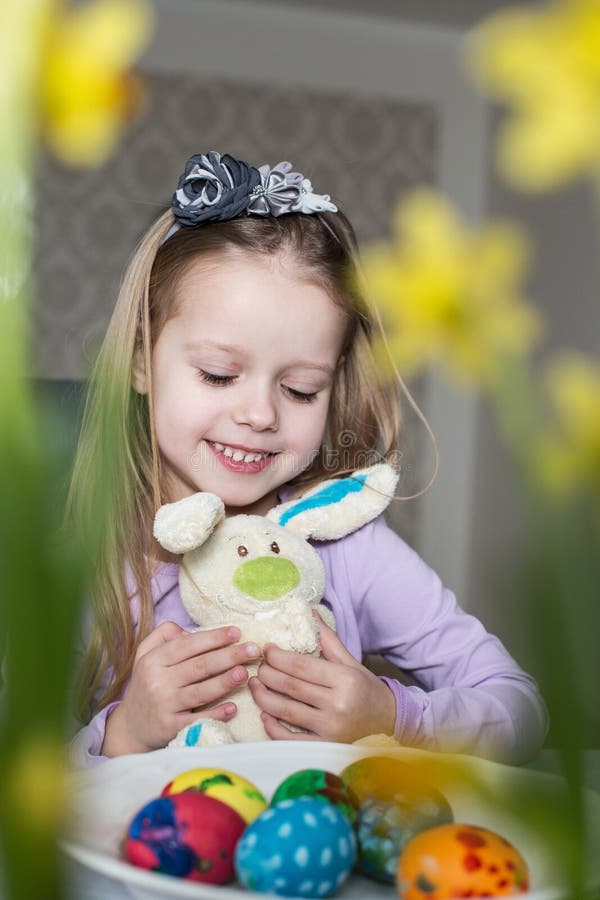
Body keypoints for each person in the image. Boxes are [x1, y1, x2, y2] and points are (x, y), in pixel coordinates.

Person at [68, 152, 548, 768]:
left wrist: (397, 717)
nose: (261, 414)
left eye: (300, 389)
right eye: (219, 375)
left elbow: (520, 706)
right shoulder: (91, 562)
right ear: (141, 360)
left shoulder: (350, 550)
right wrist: (124, 734)